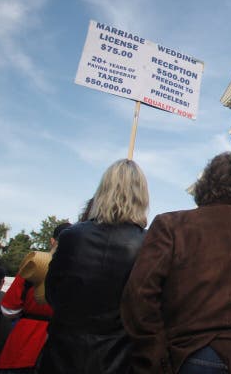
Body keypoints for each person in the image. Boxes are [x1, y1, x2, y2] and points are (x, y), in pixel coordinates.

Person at [122, 152, 231, 374]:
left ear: (205, 189)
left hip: (191, 353)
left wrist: (156, 357)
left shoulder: (171, 225)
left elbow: (139, 296)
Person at [37, 160, 147, 374]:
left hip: (62, 355)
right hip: (118, 360)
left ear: (102, 190)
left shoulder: (71, 237)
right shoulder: (148, 244)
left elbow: (52, 294)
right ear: (142, 196)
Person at [0, 222, 70, 372]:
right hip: (61, 346)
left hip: (24, 342)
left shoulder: (34, 265)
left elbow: (8, 309)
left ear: (52, 241)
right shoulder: (81, 270)